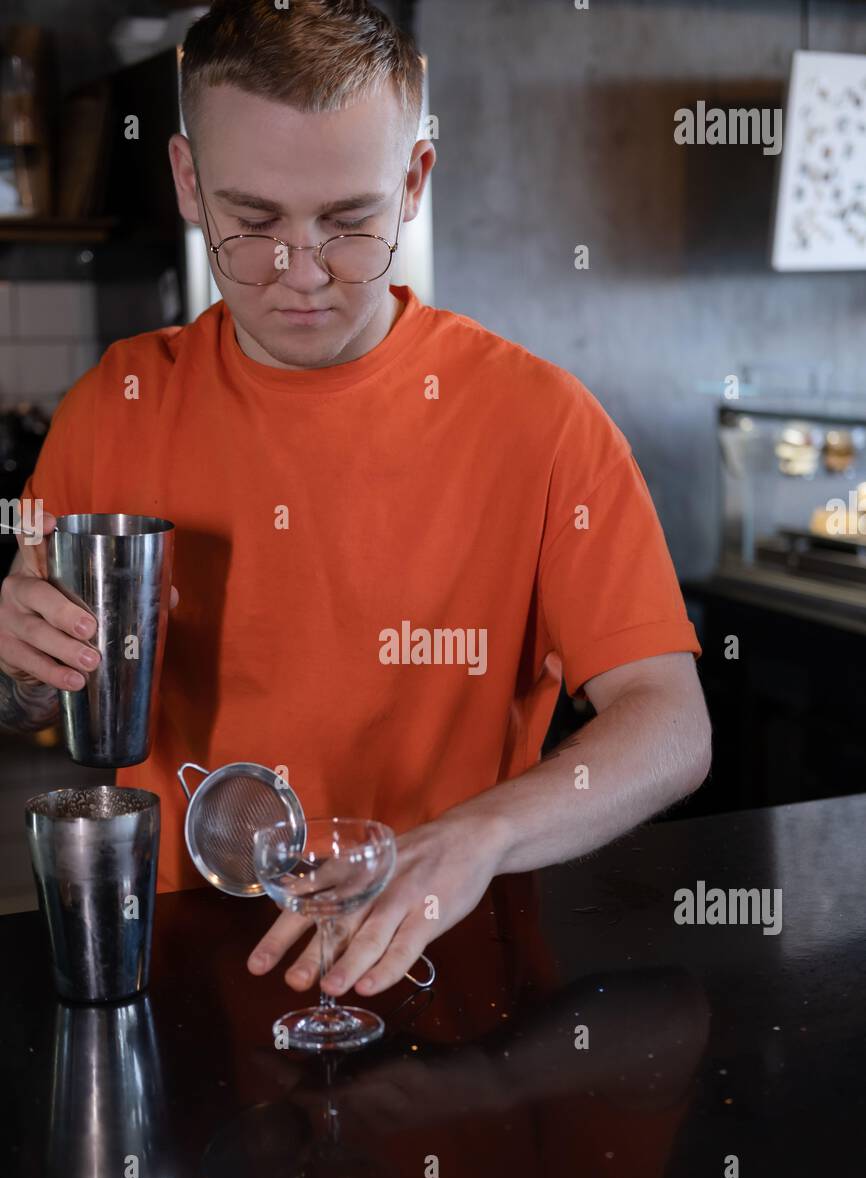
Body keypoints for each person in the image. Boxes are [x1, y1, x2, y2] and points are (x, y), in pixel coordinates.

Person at [0, 0, 710, 1002]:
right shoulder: (114, 406)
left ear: (414, 180)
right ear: (189, 183)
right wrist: (18, 656)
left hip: (444, 965)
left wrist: (480, 834)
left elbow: (671, 724)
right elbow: (27, 703)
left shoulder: (540, 420)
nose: (302, 275)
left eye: (347, 223)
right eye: (252, 223)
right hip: (178, 971)